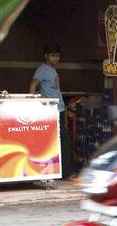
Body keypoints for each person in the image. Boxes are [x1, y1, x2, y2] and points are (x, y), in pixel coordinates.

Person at [30, 43, 75, 180]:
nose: (56, 59)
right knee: (63, 141)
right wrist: (33, 103)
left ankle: (61, 172)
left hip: (59, 109)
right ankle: (66, 173)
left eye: (58, 56)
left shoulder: (52, 70)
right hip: (51, 111)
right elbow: (33, 85)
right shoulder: (42, 69)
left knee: (61, 141)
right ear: (46, 56)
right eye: (53, 56)